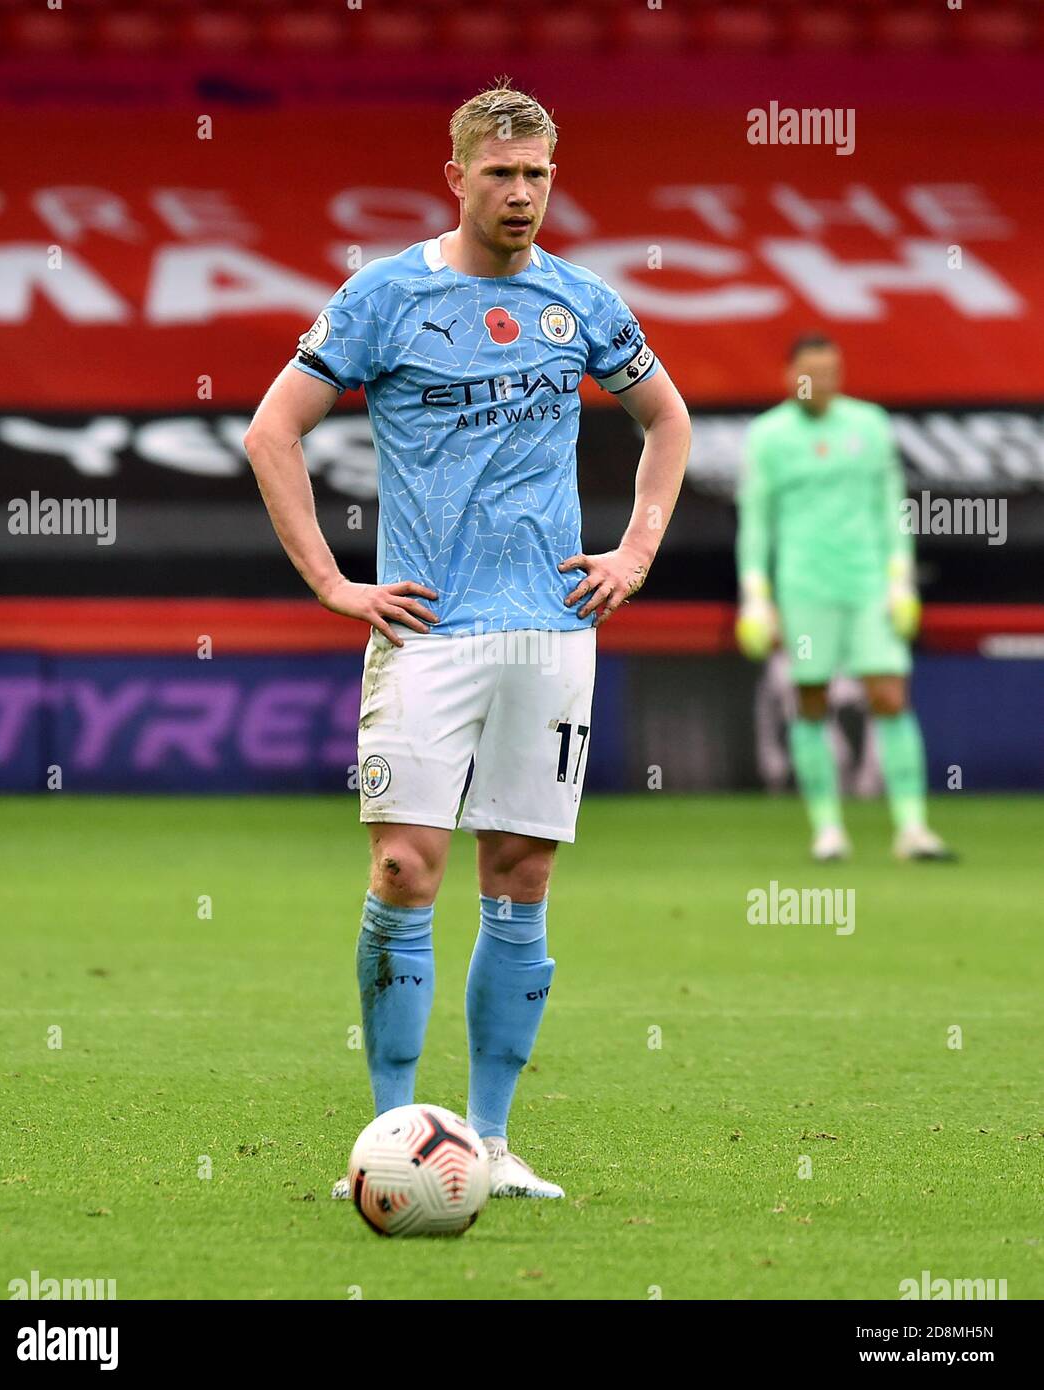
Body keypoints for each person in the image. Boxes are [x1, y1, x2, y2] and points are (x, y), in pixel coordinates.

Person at [244, 79, 691, 1197]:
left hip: (549, 628)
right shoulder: (384, 297)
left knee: (520, 870)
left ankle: (487, 1140)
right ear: (457, 178)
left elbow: (667, 421)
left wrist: (633, 554)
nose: (522, 192)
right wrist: (335, 585)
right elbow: (271, 432)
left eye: (538, 173)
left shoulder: (581, 302)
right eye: (501, 173)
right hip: (429, 629)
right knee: (404, 865)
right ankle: (393, 1136)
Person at [735, 333, 954, 862]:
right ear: (790, 376)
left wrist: (900, 579)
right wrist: (756, 597)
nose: (821, 382)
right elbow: (757, 522)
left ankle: (912, 828)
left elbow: (890, 508)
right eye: (811, 372)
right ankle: (828, 829)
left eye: (831, 371)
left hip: (867, 587)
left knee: (890, 697)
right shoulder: (768, 435)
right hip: (804, 588)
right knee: (811, 703)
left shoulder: (869, 425)